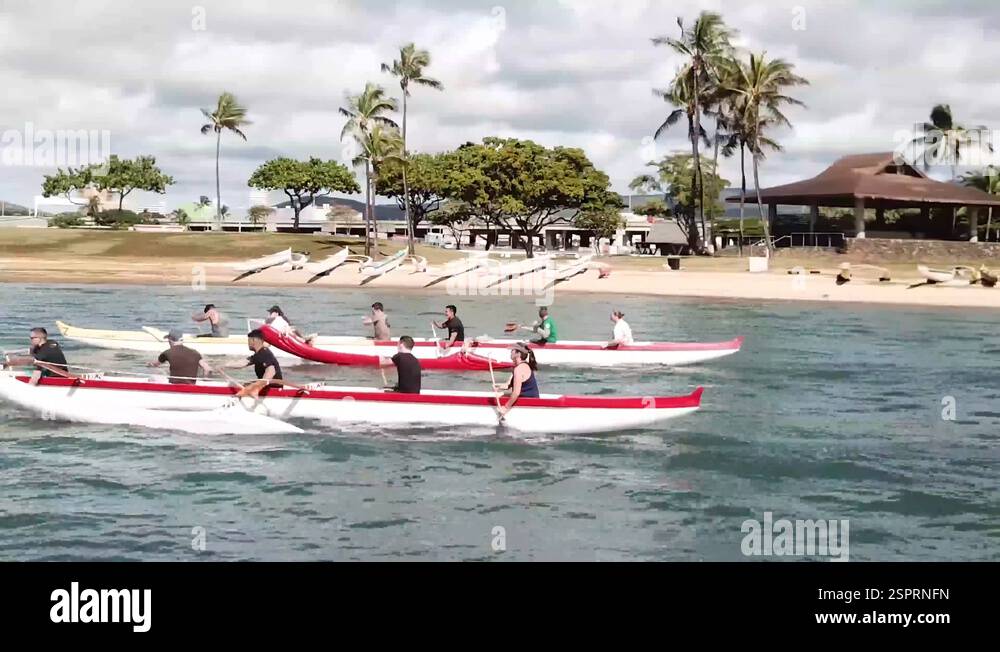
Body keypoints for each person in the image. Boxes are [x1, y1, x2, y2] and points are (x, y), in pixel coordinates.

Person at [219, 329, 284, 398]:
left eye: (248, 340)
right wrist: (225, 365)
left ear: (253, 340)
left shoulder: (265, 354)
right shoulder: (258, 354)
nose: (248, 343)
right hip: (269, 386)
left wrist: (258, 387)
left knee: (248, 385)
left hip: (273, 389)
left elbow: (271, 370)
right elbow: (244, 362)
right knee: (246, 384)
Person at [3, 328, 71, 385]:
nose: (30, 340)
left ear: (39, 338)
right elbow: (31, 350)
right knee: (37, 368)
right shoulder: (52, 342)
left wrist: (6, 364)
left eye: (32, 338)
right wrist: (12, 352)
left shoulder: (43, 353)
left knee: (36, 371)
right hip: (59, 374)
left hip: (56, 380)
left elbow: (28, 360)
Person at [147, 329, 214, 385]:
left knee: (152, 378)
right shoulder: (195, 353)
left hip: (175, 387)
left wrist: (148, 364)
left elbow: (155, 364)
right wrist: (205, 380)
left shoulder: (167, 353)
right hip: (191, 387)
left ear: (170, 340)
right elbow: (208, 369)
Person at [494, 342, 539, 417]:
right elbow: (508, 385)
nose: (511, 352)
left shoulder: (519, 369)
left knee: (504, 397)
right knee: (501, 395)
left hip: (528, 402)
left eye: (512, 350)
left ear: (518, 354)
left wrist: (505, 407)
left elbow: (516, 393)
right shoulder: (523, 365)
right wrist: (498, 387)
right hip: (530, 398)